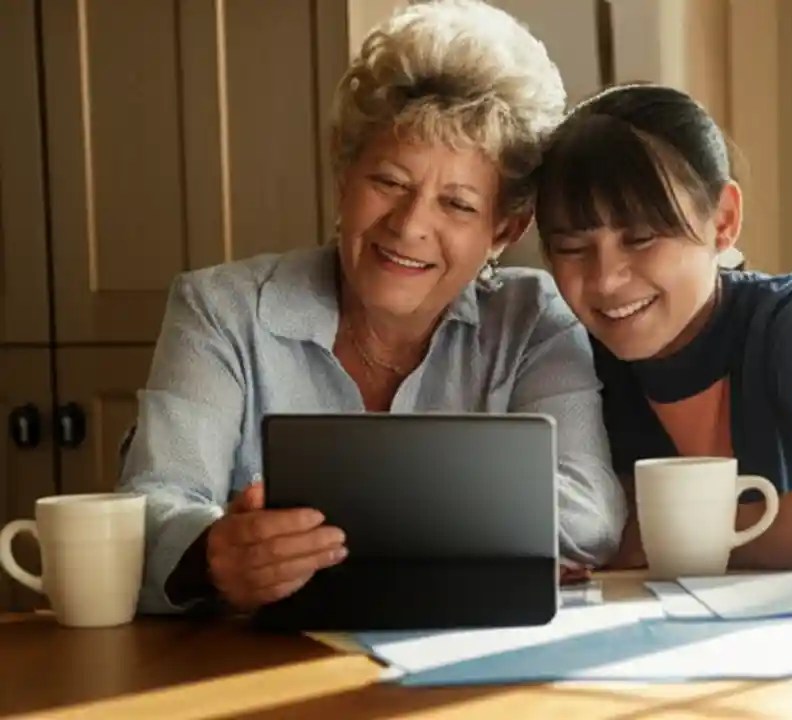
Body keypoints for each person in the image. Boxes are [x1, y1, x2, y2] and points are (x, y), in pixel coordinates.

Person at [117, 0, 625, 614]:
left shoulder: (535, 319)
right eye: (389, 182)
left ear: (503, 230)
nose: (410, 225)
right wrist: (211, 552)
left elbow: (589, 514)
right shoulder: (221, 310)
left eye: (458, 204)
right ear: (343, 175)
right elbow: (150, 509)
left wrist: (362, 510)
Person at [534, 84, 792, 570]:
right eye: (572, 249)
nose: (605, 279)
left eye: (641, 238)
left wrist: (667, 535)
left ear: (723, 221)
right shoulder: (568, 362)